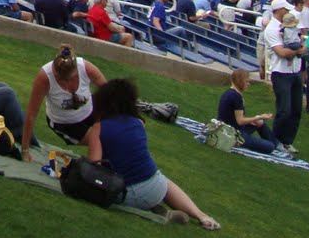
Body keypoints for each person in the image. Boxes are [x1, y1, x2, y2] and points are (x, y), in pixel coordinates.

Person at [84, 79, 219, 228]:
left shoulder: (99, 128)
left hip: (127, 193)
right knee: (160, 180)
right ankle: (201, 216)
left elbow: (94, 168)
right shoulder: (138, 123)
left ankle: (156, 209)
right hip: (157, 186)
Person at [21, 45, 106, 152]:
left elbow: (108, 91)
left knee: (115, 135)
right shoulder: (44, 77)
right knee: (99, 141)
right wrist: (25, 149)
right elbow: (31, 114)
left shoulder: (86, 68)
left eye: (69, 79)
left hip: (90, 111)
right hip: (65, 123)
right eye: (61, 79)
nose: (66, 83)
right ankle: (94, 166)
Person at [261, 0, 305, 157]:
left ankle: (287, 141)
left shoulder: (289, 24)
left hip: (295, 72)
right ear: (278, 10)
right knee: (284, 109)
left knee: (296, 109)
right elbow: (281, 52)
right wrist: (298, 51)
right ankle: (276, 140)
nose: (287, 12)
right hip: (281, 73)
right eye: (285, 10)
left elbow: (297, 43)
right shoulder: (272, 29)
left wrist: (297, 49)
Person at [217, 69, 277, 154]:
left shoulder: (229, 92)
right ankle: (273, 145)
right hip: (233, 133)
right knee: (270, 147)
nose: (248, 84)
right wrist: (260, 117)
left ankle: (276, 144)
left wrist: (256, 120)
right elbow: (240, 121)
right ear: (240, 81)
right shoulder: (236, 97)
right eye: (246, 82)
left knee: (259, 122)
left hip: (227, 127)